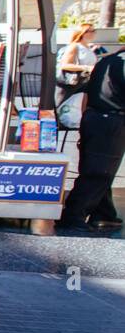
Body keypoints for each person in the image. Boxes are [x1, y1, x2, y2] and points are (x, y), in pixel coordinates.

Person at [60, 46, 125, 232]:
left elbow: (86, 95)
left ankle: (104, 214)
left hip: (93, 117)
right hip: (112, 120)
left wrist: (84, 122)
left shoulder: (106, 60)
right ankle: (73, 215)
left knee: (98, 167)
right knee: (99, 172)